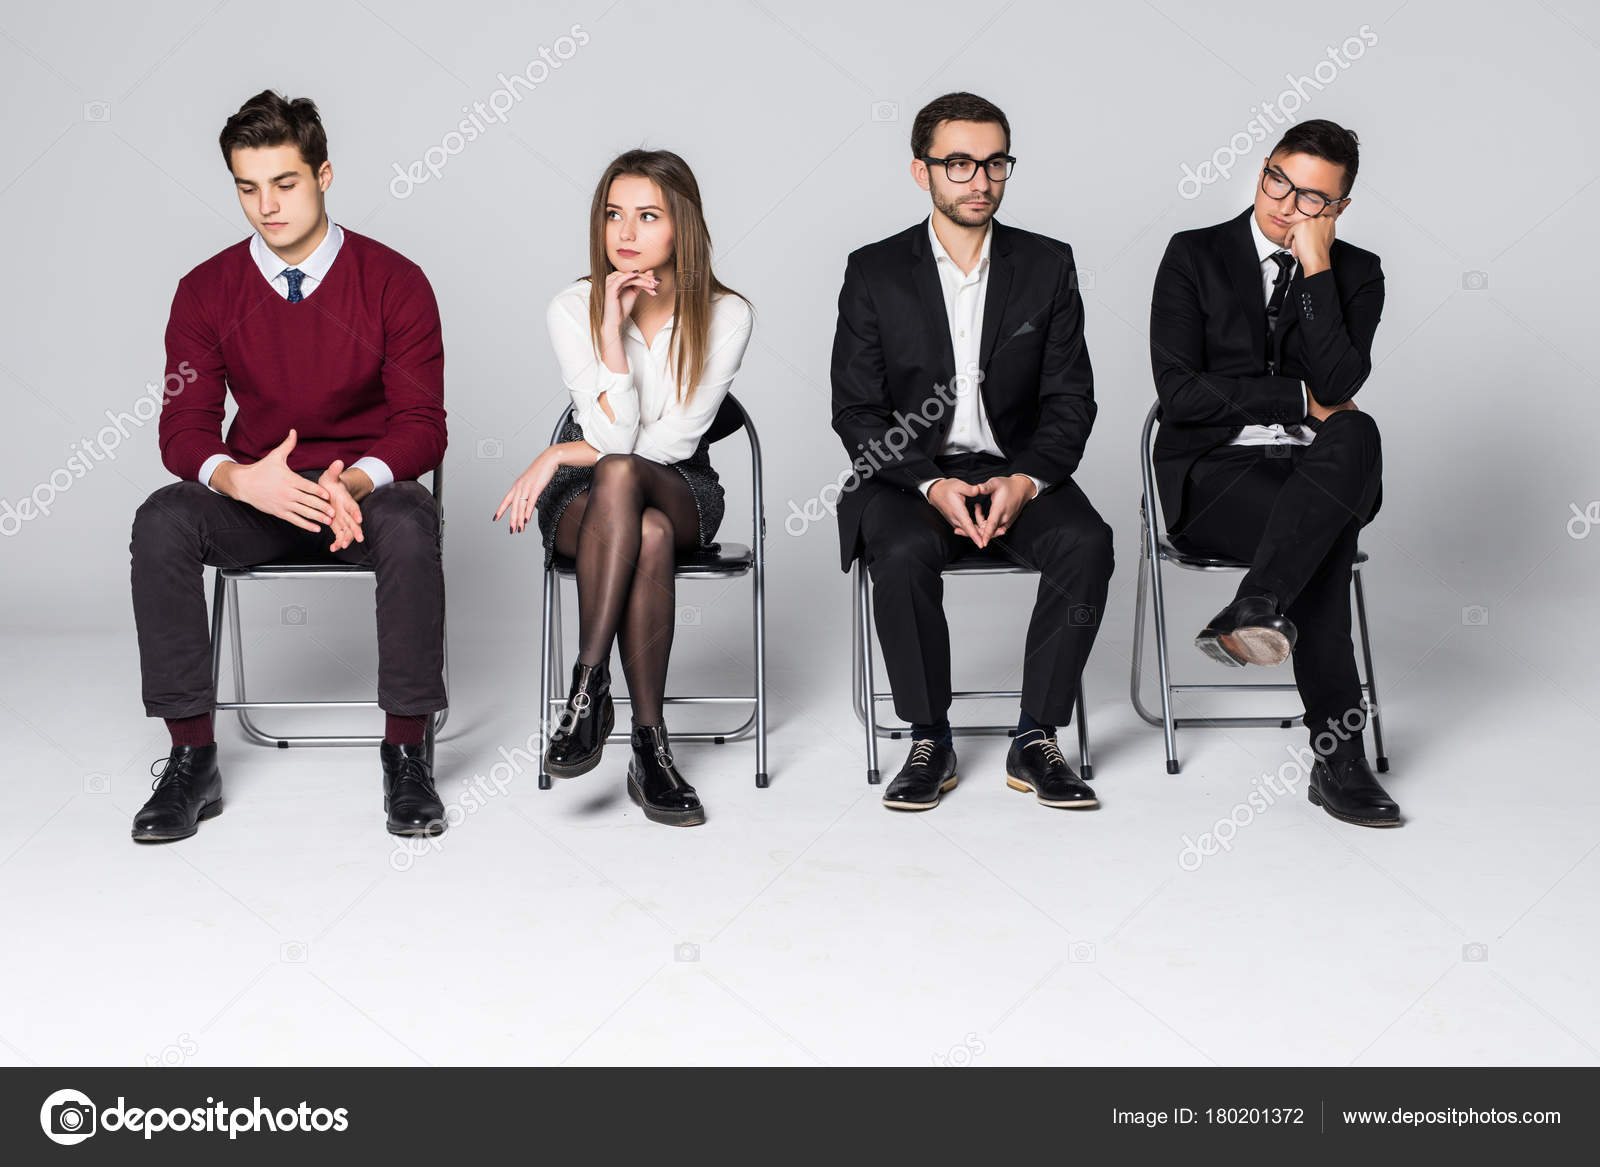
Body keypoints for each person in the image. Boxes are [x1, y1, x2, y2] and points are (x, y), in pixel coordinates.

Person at [130, 90, 448, 842]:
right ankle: (191, 758)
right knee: (162, 520)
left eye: (285, 183)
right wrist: (240, 479)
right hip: (259, 496)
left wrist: (355, 480)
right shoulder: (206, 291)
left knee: (410, 523)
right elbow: (183, 428)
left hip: (359, 497)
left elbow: (421, 427)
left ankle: (406, 751)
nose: (266, 206)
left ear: (324, 175)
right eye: (248, 187)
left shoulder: (395, 282)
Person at [830, 92, 1113, 814]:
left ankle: (1037, 734)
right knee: (897, 554)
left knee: (1089, 542)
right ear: (921, 172)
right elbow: (857, 412)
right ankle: (930, 736)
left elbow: (1071, 400)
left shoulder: (1048, 265)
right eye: (959, 163)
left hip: (1017, 469)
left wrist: (1026, 479)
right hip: (909, 479)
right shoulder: (874, 271)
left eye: (994, 162)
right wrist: (928, 484)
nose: (979, 179)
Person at [1148, 118, 1398, 827]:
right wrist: (1294, 398)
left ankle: (1256, 605)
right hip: (1213, 477)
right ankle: (1339, 762)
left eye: (1314, 199)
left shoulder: (1356, 272)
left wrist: (1316, 268)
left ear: (1340, 209)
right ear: (1261, 170)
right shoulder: (1193, 255)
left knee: (1358, 429)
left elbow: (1344, 378)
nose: (1287, 204)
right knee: (1322, 549)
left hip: (1314, 470)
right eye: (1278, 181)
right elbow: (1180, 393)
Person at [496, 149, 753, 828]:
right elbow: (613, 448)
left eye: (647, 215)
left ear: (683, 227)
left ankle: (586, 688)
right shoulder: (570, 307)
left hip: (683, 487)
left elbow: (672, 444)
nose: (625, 233)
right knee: (645, 528)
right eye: (614, 214)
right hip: (591, 504)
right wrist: (610, 332)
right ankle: (649, 746)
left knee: (632, 482)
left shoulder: (725, 314)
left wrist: (556, 451)